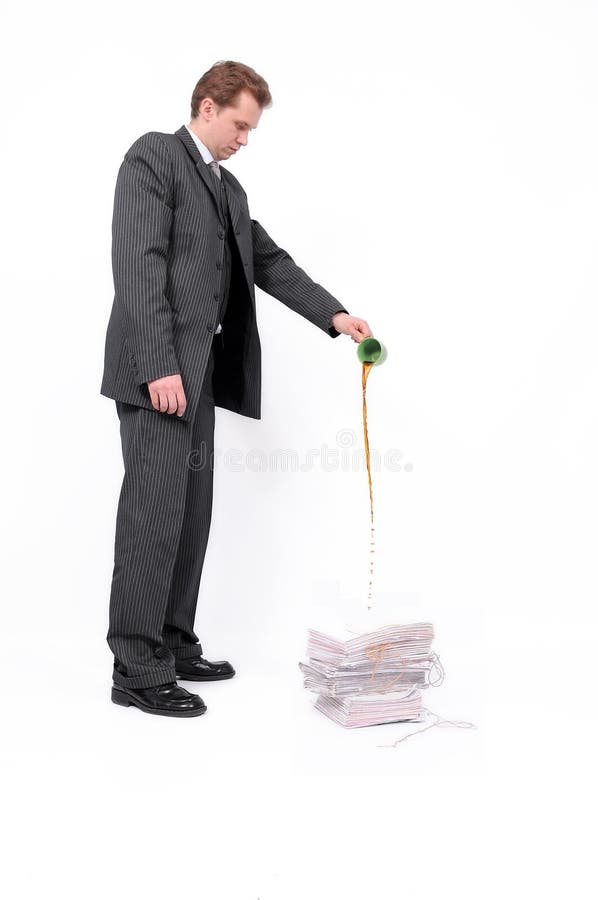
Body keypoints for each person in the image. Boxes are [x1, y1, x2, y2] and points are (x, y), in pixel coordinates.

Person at [100, 60, 373, 718]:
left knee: (190, 516)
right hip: (158, 376)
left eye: (252, 129)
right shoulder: (154, 158)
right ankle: (136, 667)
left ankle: (170, 640)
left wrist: (333, 315)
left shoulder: (229, 189)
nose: (245, 139)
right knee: (153, 518)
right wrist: (159, 365)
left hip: (199, 381)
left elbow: (268, 260)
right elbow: (138, 263)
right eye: (240, 125)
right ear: (206, 107)